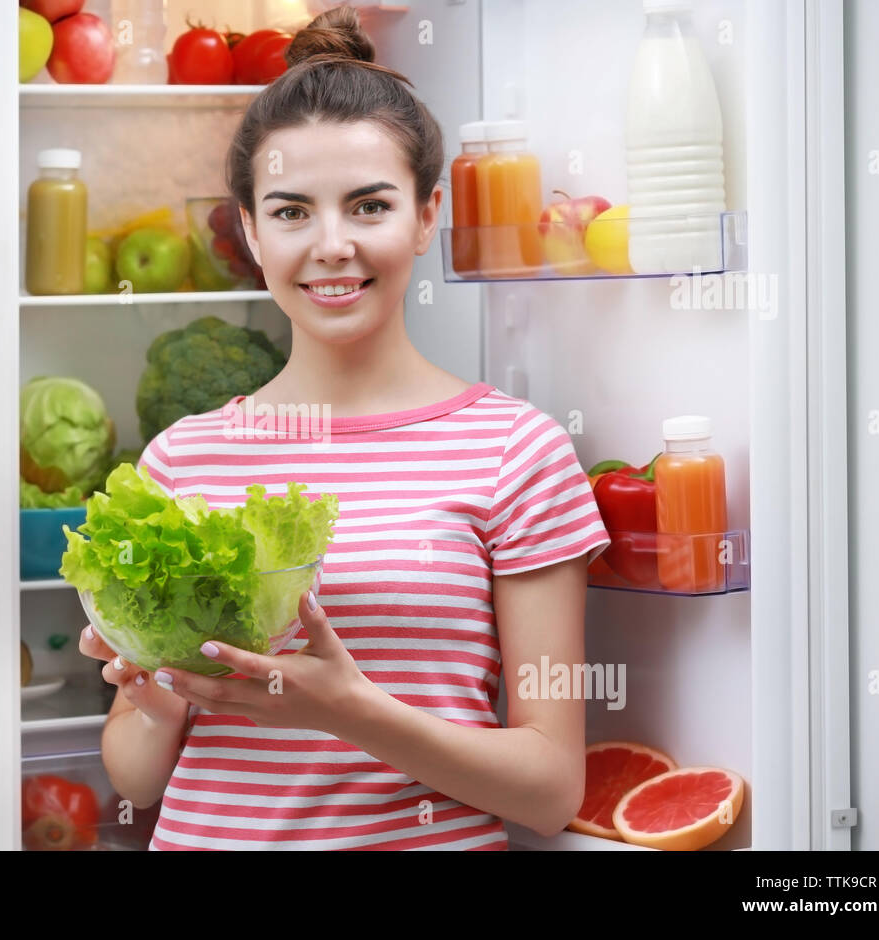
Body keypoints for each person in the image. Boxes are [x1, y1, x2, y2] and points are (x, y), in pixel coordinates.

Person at [79, 3, 611, 850]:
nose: (331, 245)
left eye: (369, 206)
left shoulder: (518, 453)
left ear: (428, 216)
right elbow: (137, 777)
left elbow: (550, 789)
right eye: (291, 212)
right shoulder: (183, 461)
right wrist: (151, 700)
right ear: (250, 231)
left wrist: (351, 711)